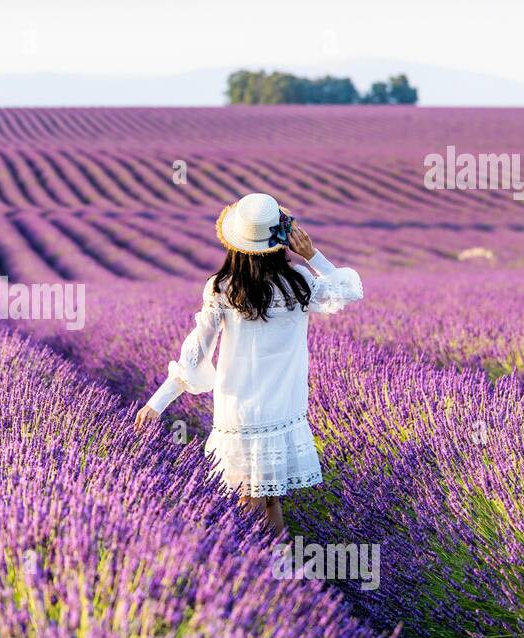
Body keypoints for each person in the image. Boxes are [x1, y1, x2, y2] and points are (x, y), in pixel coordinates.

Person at [134, 193, 363, 535]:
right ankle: (281, 577)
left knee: (248, 505)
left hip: (239, 411)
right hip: (282, 409)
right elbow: (348, 291)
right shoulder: (299, 283)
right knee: (268, 503)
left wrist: (158, 402)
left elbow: (198, 352)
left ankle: (260, 579)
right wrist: (312, 254)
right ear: (281, 239)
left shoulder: (223, 287)